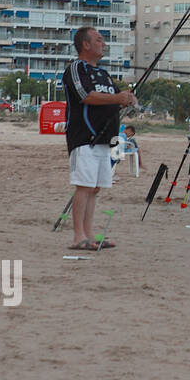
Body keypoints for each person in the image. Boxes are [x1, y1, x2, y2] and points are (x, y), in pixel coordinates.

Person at [62, 26, 136, 251]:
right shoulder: (76, 68)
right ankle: (78, 237)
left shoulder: (103, 74)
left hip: (107, 139)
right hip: (84, 138)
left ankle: (90, 235)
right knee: (83, 187)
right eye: (99, 40)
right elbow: (85, 95)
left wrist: (127, 99)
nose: (103, 44)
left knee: (95, 188)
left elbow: (114, 99)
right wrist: (117, 97)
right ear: (85, 44)